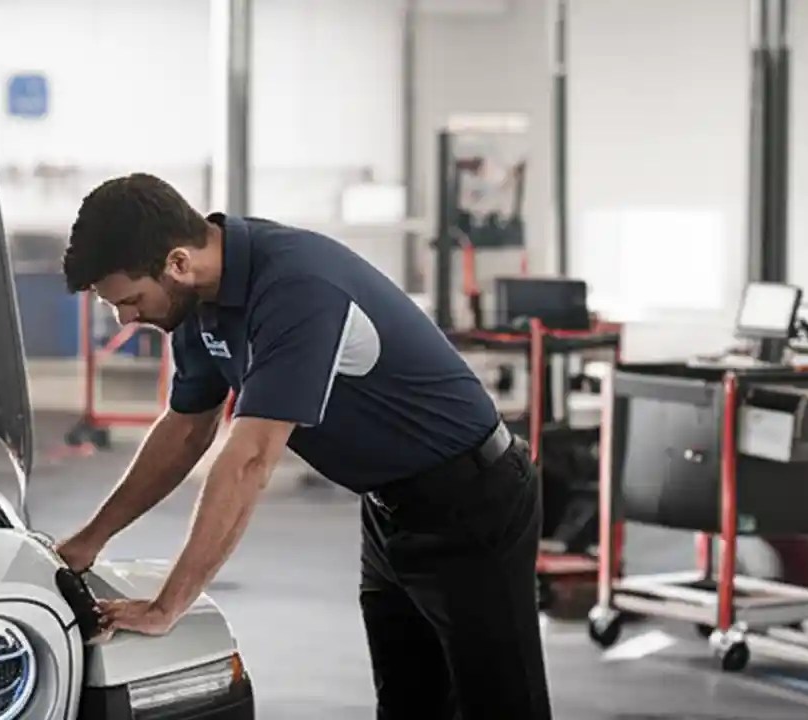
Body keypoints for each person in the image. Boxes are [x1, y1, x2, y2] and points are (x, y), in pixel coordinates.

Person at [54, 172, 553, 719]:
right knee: (411, 707)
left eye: (128, 300)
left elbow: (248, 462)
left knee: (503, 709)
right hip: (390, 511)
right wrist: (88, 541)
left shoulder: (296, 287)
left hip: (474, 505)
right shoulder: (196, 300)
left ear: (176, 263)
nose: (126, 319)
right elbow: (186, 430)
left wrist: (168, 606)